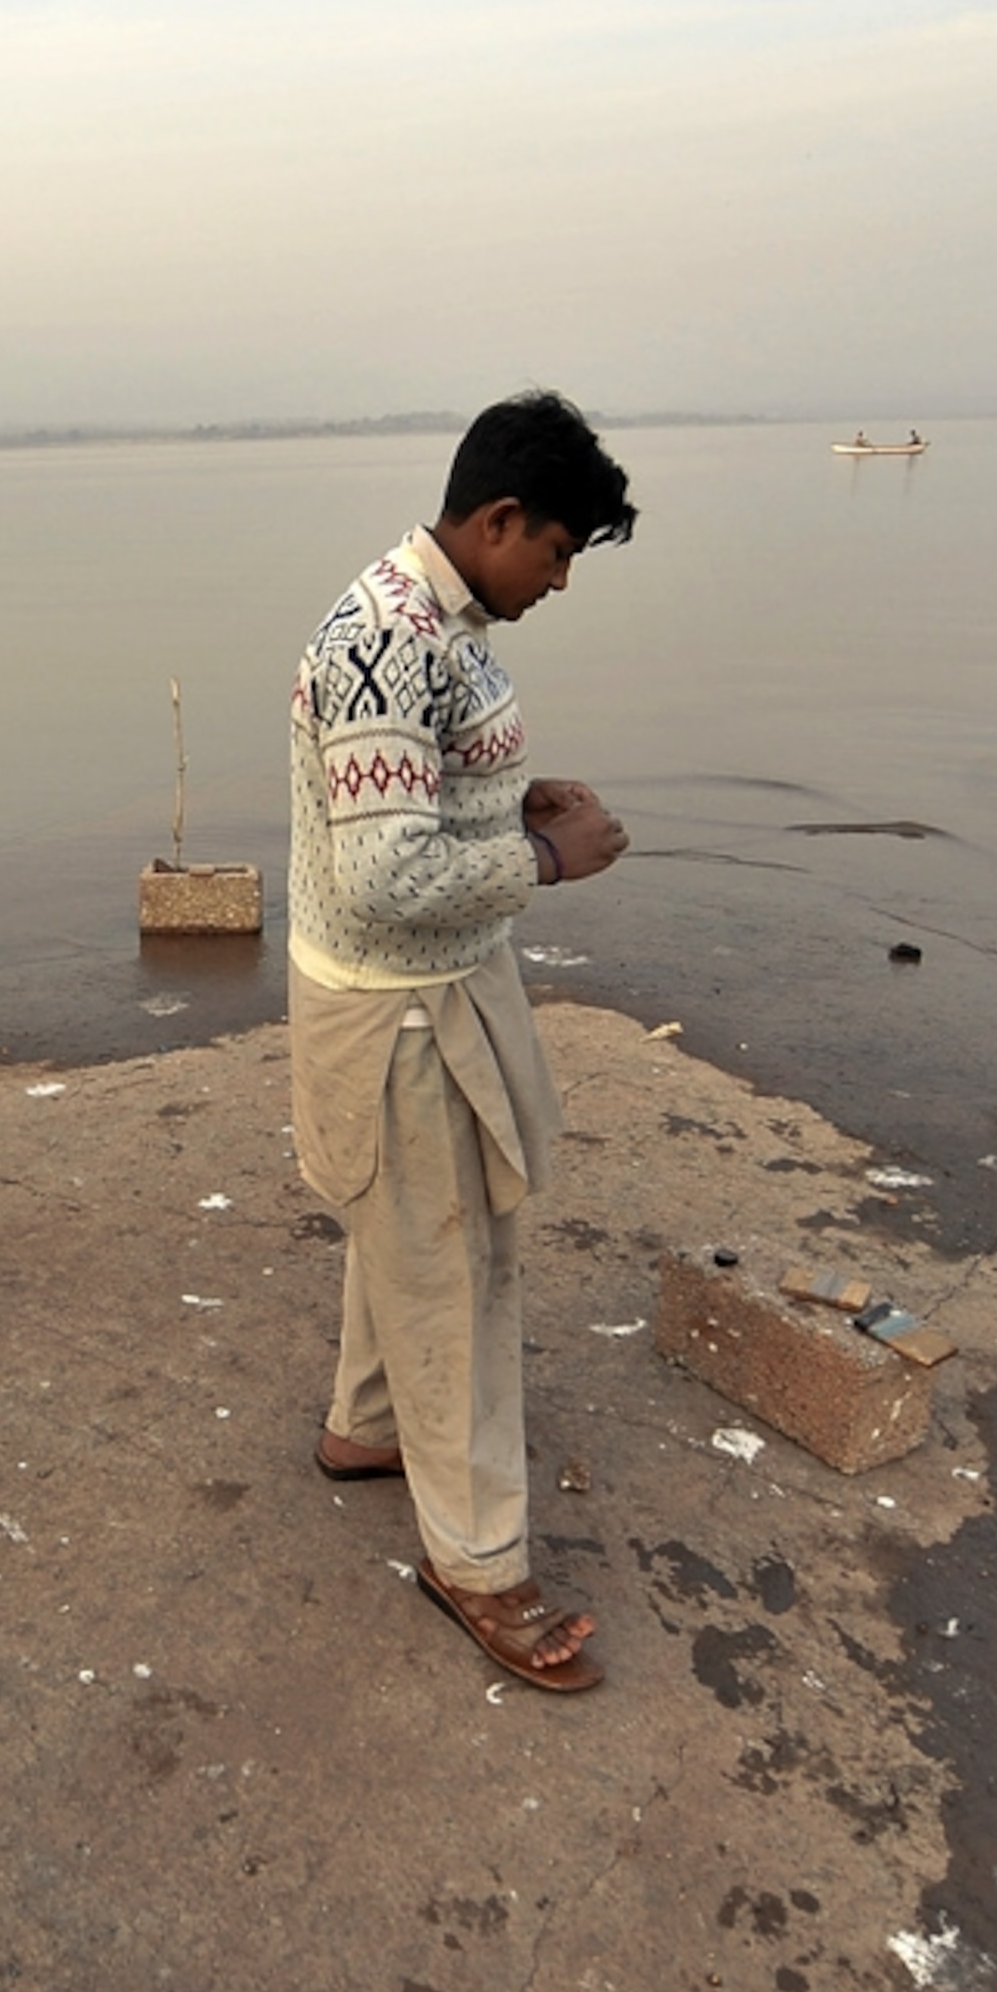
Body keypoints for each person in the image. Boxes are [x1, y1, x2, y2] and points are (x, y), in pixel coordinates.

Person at [286, 390, 636, 1691]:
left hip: (430, 991)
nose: (558, 580)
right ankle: (479, 1560)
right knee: (458, 1276)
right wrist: (544, 855)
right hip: (396, 1013)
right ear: (498, 519)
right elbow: (385, 875)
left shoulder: (448, 617)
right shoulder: (385, 637)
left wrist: (501, 795)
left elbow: (410, 793)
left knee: (413, 1236)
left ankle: (367, 1428)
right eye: (556, 552)